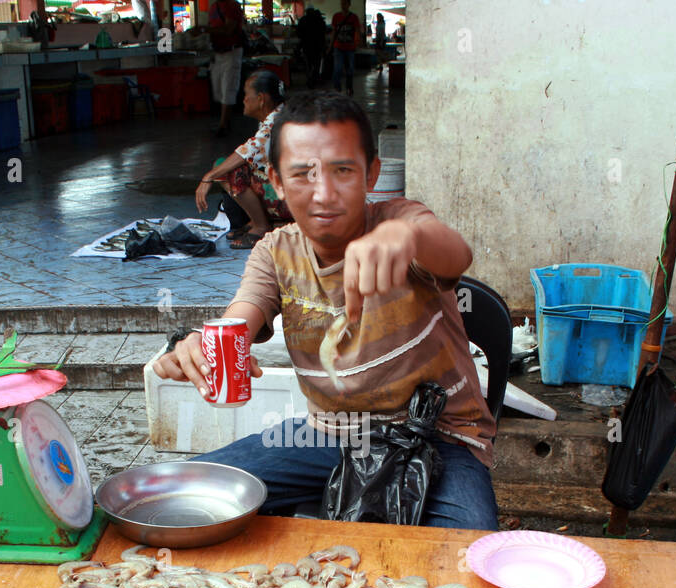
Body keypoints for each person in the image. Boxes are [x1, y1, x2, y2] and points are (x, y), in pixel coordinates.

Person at [154, 91, 498, 530]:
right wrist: (199, 346)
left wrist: (408, 239)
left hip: (438, 436)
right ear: (276, 181)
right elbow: (240, 318)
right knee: (181, 496)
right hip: (329, 434)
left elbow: (455, 255)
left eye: (343, 171)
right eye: (302, 174)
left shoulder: (401, 222)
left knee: (469, 567)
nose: (324, 194)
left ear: (371, 173)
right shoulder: (275, 252)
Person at [195, 70, 291, 250]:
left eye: (247, 95)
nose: (244, 99)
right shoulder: (280, 115)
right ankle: (255, 220)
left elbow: (246, 152)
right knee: (228, 165)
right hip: (297, 190)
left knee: (231, 171)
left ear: (261, 99)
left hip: (292, 199)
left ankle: (261, 226)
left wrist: (208, 177)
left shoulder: (274, 122)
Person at [206, 0, 245, 137]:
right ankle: (226, 121)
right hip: (218, 53)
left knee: (228, 87)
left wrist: (205, 30)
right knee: (218, 90)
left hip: (231, 53)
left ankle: (223, 125)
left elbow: (229, 29)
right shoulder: (213, 7)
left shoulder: (232, 6)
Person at [328, 0, 360, 97]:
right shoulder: (336, 16)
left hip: (350, 47)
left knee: (350, 69)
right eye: (342, 3)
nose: (343, 5)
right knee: (337, 68)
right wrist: (330, 46)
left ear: (349, 5)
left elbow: (357, 31)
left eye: (345, 3)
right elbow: (334, 32)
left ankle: (349, 88)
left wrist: (356, 43)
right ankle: (337, 89)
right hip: (338, 47)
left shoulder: (354, 17)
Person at [294, 5, 325, 88]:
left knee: (308, 64)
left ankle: (310, 79)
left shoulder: (303, 20)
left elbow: (298, 33)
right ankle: (314, 79)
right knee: (316, 64)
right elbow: (323, 33)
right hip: (317, 46)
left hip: (306, 46)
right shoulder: (319, 19)